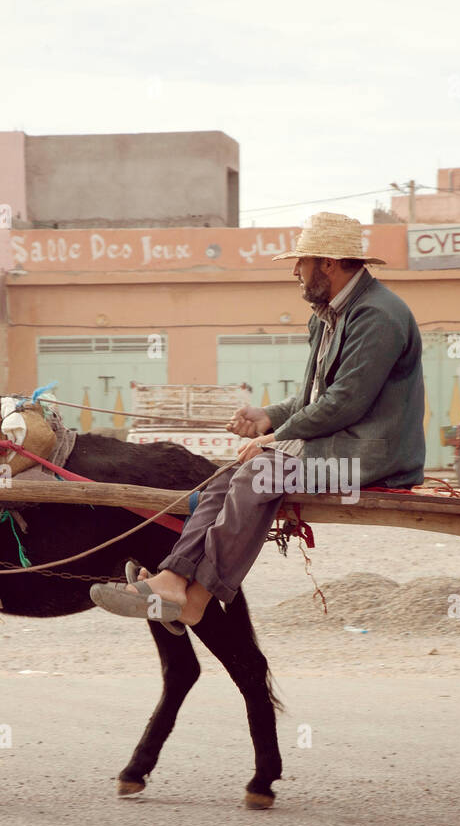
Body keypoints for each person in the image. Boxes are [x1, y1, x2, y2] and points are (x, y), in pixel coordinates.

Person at [91, 212, 425, 628]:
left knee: (259, 474)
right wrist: (268, 415)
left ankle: (196, 597)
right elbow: (313, 398)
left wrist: (274, 439)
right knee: (224, 477)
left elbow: (345, 403)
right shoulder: (329, 316)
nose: (294, 272)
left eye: (301, 262)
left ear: (328, 263)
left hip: (368, 458)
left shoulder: (378, 316)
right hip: (335, 446)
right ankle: (174, 578)